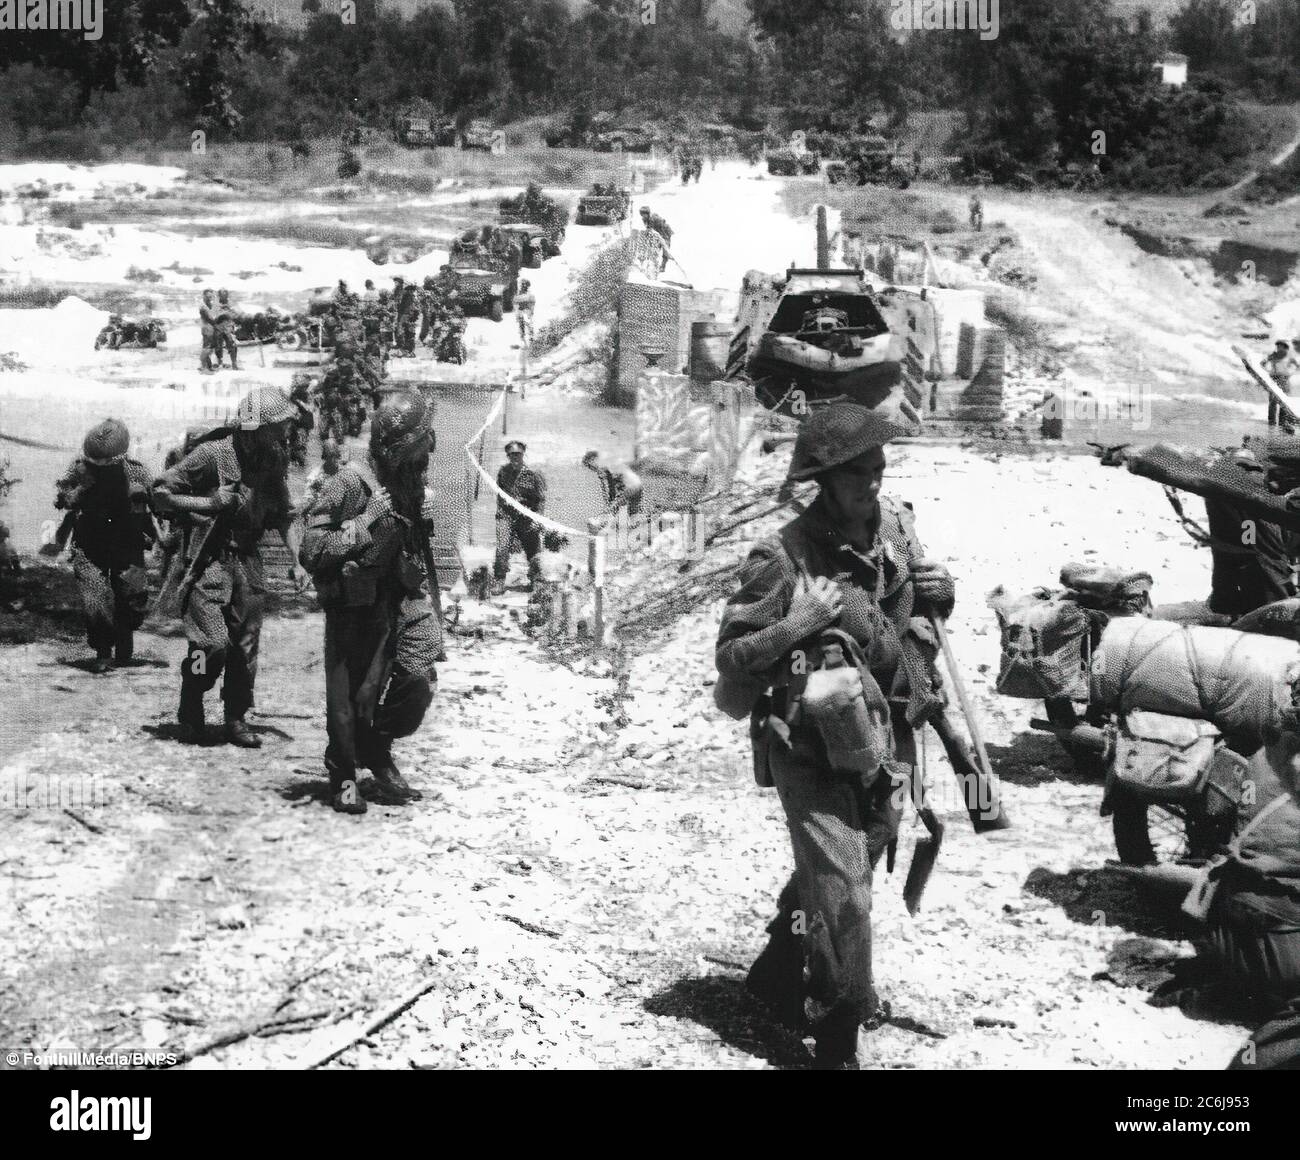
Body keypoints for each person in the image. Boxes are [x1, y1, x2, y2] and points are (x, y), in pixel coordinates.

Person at [714, 403, 964, 1069]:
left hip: (885, 734)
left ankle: (778, 964)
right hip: (808, 742)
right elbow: (733, 660)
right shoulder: (782, 557)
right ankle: (836, 1035)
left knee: (836, 877)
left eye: (879, 471)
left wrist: (943, 590)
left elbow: (914, 616)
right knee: (847, 888)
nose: (873, 486)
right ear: (823, 480)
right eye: (858, 476)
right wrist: (798, 625)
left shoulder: (896, 528)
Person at [300, 391, 440, 814]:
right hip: (355, 602)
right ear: (397, 448)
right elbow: (312, 548)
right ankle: (343, 775)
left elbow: (412, 538)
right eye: (419, 444)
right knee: (348, 699)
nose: (427, 451)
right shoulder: (348, 482)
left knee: (419, 675)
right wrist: (364, 523)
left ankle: (377, 747)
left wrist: (422, 516)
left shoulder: (409, 479)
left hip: (399, 595)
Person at [151, 386, 307, 747]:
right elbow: (160, 493)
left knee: (245, 646)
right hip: (207, 560)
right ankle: (192, 703)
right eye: (279, 424)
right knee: (212, 645)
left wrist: (297, 562)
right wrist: (207, 501)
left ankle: (235, 717)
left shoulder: (273, 459)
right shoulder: (211, 454)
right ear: (257, 427)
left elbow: (283, 516)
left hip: (248, 562)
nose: (286, 431)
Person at [40, 419, 155, 672]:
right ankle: (103, 650)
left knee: (133, 599)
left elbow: (160, 502)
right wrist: (82, 489)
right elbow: (62, 500)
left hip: (127, 543)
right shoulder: (80, 469)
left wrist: (147, 498)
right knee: (95, 600)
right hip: (90, 543)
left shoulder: (137, 471)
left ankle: (125, 635)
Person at [492, 440, 546, 595]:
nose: (514, 458)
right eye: (511, 455)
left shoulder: (534, 474)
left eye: (517, 454)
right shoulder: (503, 471)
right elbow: (500, 494)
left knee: (533, 549)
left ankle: (536, 580)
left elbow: (541, 499)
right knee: (502, 547)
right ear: (507, 456)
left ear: (523, 454)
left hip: (527, 516)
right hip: (506, 515)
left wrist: (538, 519)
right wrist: (500, 515)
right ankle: (499, 580)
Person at [582, 450, 642, 518]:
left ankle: (613, 521)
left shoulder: (602, 467)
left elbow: (608, 488)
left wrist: (610, 505)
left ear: (593, 460)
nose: (590, 469)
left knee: (614, 510)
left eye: (589, 465)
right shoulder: (609, 461)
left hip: (628, 488)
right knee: (633, 514)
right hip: (637, 484)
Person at [303, 437, 347, 510]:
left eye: (333, 456)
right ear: (324, 456)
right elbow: (308, 496)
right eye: (329, 456)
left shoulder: (345, 471)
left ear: (337, 455)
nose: (332, 460)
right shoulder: (315, 475)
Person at [1265, 340, 1298, 432]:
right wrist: (1269, 373)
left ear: (1285, 347)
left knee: (1283, 402)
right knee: (1273, 402)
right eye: (1277, 346)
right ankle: (1271, 422)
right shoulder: (1273, 355)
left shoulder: (1289, 357)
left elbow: (1297, 366)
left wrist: (1290, 373)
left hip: (1285, 380)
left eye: (1280, 346)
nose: (1278, 347)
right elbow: (1262, 364)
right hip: (1274, 380)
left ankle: (1282, 422)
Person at [639, 206, 673, 271]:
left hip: (665, 234)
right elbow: (649, 230)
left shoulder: (654, 218)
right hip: (657, 234)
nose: (643, 216)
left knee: (665, 251)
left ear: (648, 213)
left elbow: (653, 230)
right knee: (654, 249)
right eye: (642, 215)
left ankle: (663, 266)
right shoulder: (644, 220)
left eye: (644, 214)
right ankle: (653, 266)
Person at [215, 289, 239, 370]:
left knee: (233, 344)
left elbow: (235, 314)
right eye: (222, 294)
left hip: (229, 327)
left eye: (225, 294)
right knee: (218, 346)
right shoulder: (215, 304)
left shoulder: (231, 304)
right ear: (219, 296)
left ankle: (234, 364)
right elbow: (213, 316)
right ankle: (220, 363)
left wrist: (230, 311)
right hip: (218, 327)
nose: (224, 296)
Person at [199, 289, 220, 374]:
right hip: (207, 329)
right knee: (207, 348)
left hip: (211, 329)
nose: (209, 298)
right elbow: (209, 318)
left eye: (211, 296)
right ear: (204, 296)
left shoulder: (210, 305)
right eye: (208, 296)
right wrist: (217, 323)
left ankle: (209, 366)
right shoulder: (202, 306)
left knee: (210, 348)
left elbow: (214, 316)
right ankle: (204, 367)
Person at [515, 279, 536, 347]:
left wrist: (531, 311)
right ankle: (524, 339)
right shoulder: (518, 294)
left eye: (524, 285)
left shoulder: (529, 294)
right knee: (522, 326)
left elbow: (532, 303)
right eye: (522, 285)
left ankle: (530, 338)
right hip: (522, 311)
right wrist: (517, 314)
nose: (523, 286)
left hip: (527, 311)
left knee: (528, 325)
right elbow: (516, 304)